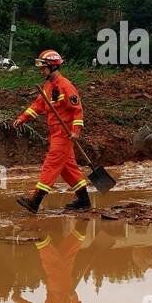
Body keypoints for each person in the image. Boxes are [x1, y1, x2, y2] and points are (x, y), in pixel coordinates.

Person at [13, 49, 90, 213]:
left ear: (52, 67)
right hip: (55, 133)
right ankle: (84, 201)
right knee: (68, 168)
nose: (41, 71)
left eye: (43, 67)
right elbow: (38, 105)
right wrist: (22, 118)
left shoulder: (66, 86)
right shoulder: (47, 87)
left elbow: (77, 110)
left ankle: (35, 201)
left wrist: (76, 131)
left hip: (65, 133)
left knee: (51, 165)